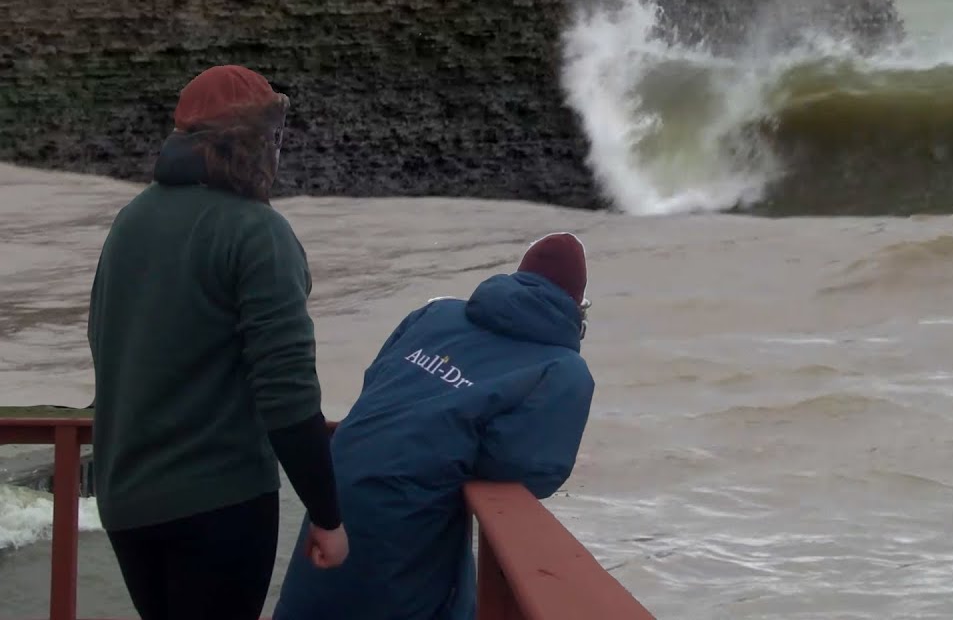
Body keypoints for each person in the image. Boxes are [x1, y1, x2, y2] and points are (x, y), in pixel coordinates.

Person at [87, 65, 349, 620]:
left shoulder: (130, 221)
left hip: (127, 501)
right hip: (219, 503)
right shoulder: (257, 232)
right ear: (254, 143)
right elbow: (288, 391)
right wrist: (327, 514)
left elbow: (105, 348)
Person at [272, 232, 598, 620]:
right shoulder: (562, 369)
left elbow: (376, 382)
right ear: (576, 307)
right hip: (405, 521)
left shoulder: (435, 313)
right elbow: (526, 469)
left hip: (331, 492)